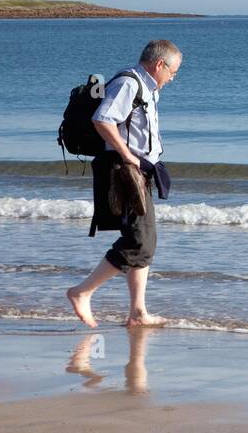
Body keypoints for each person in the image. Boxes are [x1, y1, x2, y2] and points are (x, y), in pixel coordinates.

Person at [66, 39, 181, 328]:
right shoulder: (129, 84)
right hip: (123, 171)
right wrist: (128, 155)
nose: (173, 78)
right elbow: (102, 120)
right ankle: (82, 292)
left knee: (146, 241)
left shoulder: (149, 89)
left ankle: (138, 311)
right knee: (138, 241)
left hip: (139, 170)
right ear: (159, 64)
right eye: (173, 71)